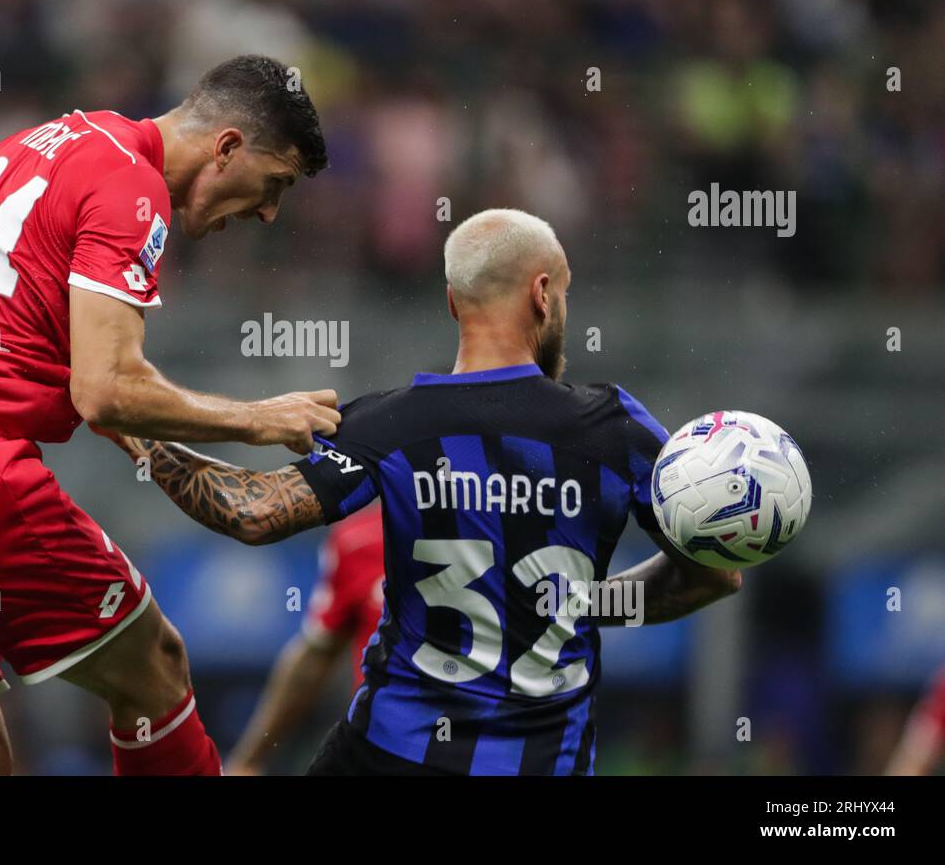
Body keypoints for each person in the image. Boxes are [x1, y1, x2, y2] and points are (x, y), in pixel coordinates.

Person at [0, 54, 339, 776]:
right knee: (155, 666)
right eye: (275, 185)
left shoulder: (36, 144)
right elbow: (105, 388)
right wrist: (259, 419)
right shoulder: (134, 186)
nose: (270, 212)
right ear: (228, 147)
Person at [98, 207, 742, 775]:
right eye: (566, 294)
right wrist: (580, 604)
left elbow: (250, 512)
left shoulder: (390, 422)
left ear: (453, 302)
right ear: (543, 294)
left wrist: (136, 432)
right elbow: (711, 576)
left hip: (390, 753)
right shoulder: (615, 428)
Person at [227, 503, 384, 775]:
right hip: (382, 749)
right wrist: (250, 758)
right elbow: (318, 652)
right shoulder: (359, 540)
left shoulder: (483, 529)